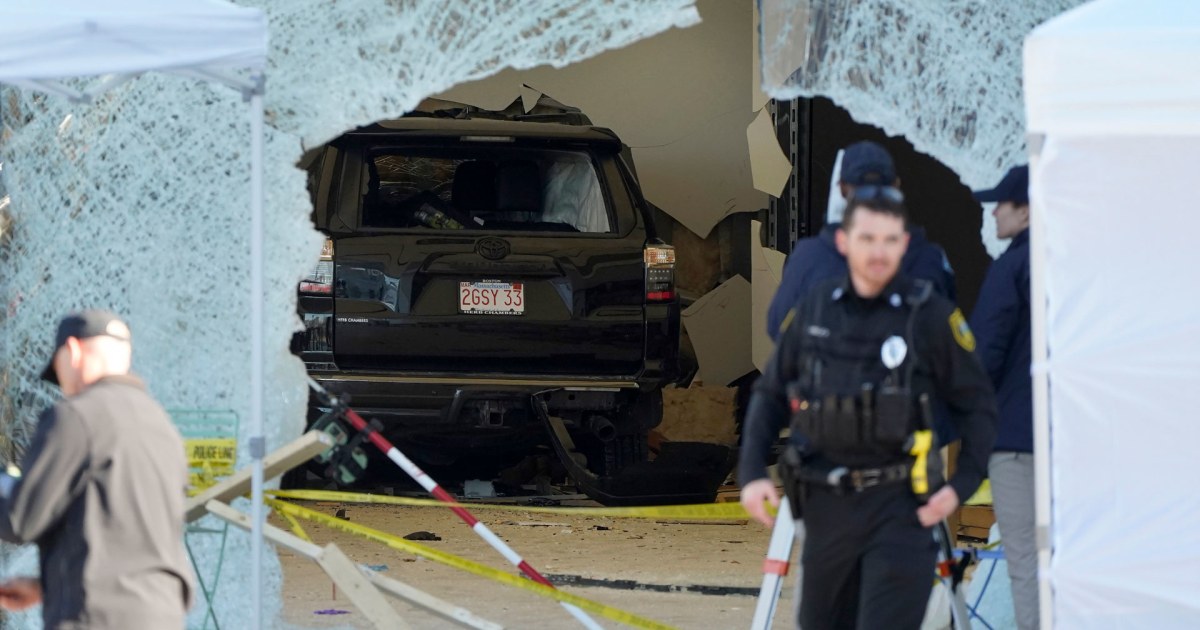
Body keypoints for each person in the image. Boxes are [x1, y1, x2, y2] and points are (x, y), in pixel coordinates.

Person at [740, 193, 997, 629]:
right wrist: (750, 472)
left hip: (901, 508)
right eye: (867, 238)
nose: (878, 252)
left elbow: (979, 406)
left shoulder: (929, 316)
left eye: (889, 240)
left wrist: (961, 486)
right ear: (844, 242)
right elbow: (770, 392)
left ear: (904, 244)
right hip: (827, 507)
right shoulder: (816, 307)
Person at [0, 310, 193, 628]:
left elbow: (20, 520)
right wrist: (48, 587)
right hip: (162, 614)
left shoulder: (76, 417)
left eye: (57, 372)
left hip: (96, 618)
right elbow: (121, 533)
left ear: (73, 351)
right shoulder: (162, 429)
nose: (62, 387)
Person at [766, 140, 956, 341]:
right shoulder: (931, 257)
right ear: (896, 186)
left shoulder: (809, 256)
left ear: (842, 189)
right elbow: (948, 329)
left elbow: (777, 326)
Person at [969, 165, 1037, 630]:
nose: (993, 213)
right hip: (1073, 440)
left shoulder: (1011, 268)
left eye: (1002, 204)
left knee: (1025, 559)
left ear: (1027, 211)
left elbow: (983, 356)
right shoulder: (1074, 265)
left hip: (1016, 441)